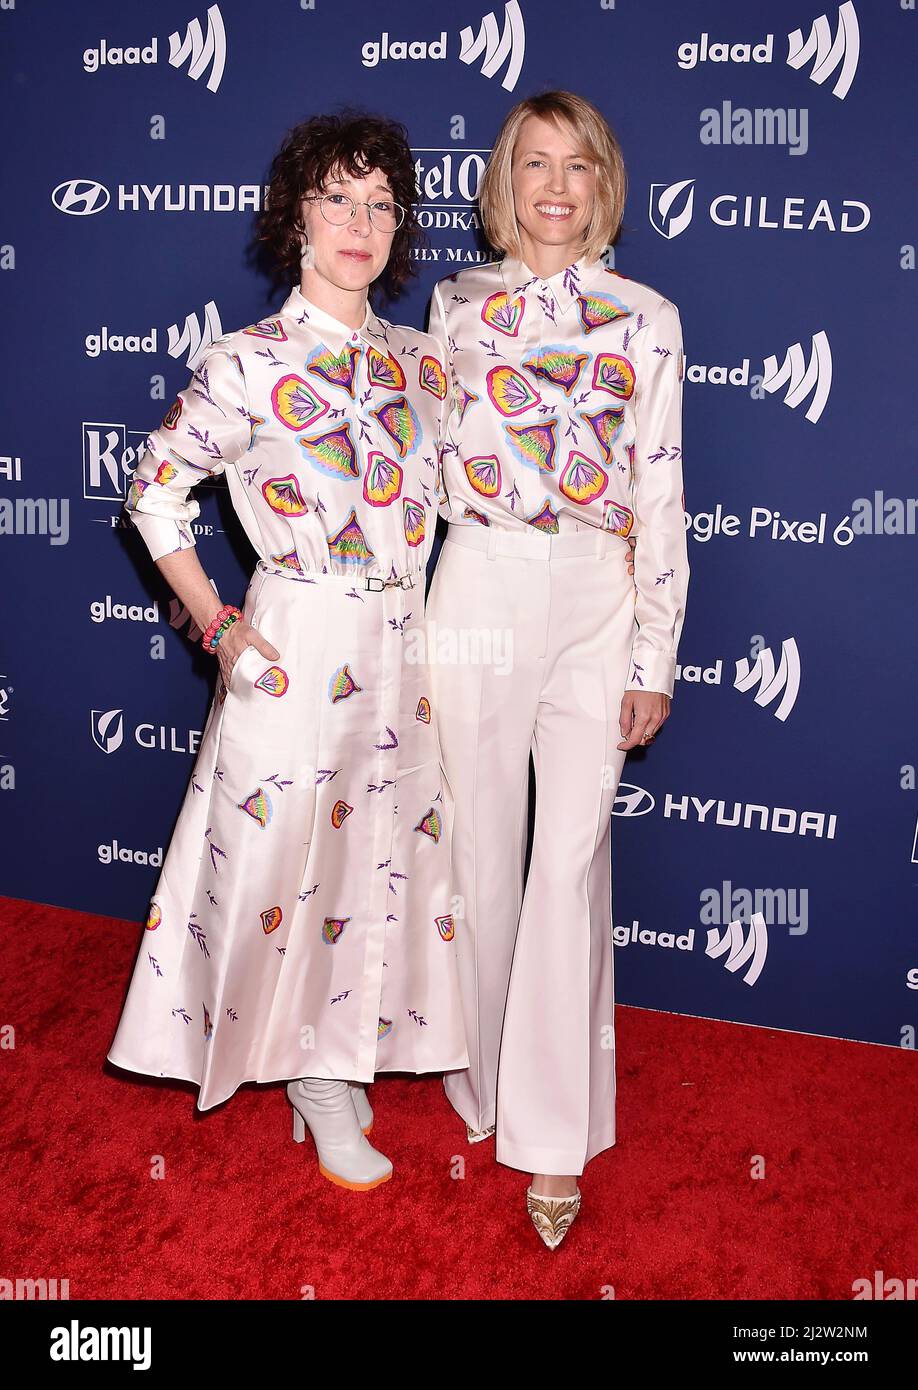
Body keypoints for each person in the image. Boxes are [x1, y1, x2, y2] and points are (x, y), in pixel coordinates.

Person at [107, 110, 468, 1192]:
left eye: (379, 204)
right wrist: (215, 621)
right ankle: (313, 1076)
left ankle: (343, 1049)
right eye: (335, 198)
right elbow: (153, 490)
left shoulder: (423, 365)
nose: (358, 223)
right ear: (295, 216)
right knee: (289, 860)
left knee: (380, 861)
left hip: (406, 645)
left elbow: (465, 501)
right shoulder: (246, 363)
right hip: (298, 634)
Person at [426, 90, 688, 1246]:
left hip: (595, 594)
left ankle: (551, 1138)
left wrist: (656, 648)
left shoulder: (648, 318)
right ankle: (478, 1077)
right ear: (504, 182)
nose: (555, 185)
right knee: (478, 850)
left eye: (578, 164)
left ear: (602, 185)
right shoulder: (452, 306)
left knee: (568, 865)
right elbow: (417, 475)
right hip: (475, 585)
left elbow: (663, 495)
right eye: (534, 162)